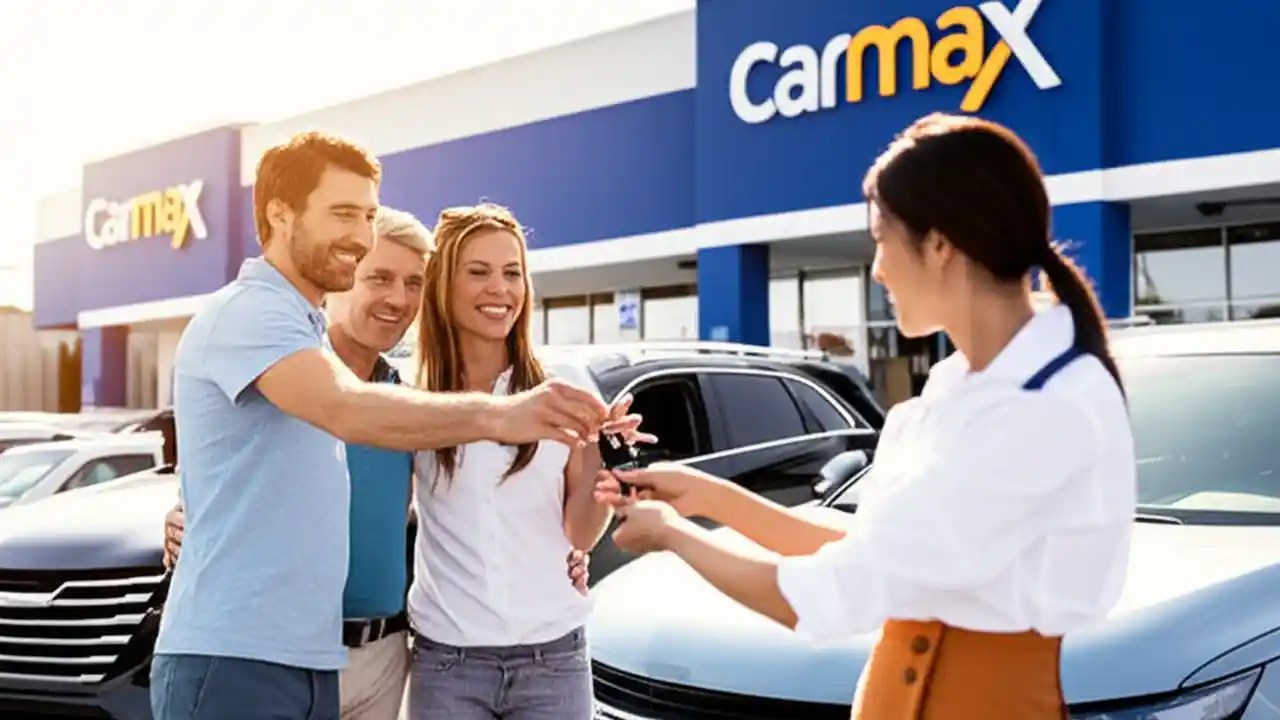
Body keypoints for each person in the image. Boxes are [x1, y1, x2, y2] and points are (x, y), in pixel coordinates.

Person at [596, 114, 1136, 719]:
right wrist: (706, 496)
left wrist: (671, 533)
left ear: (939, 245)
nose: (876, 268)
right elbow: (871, 548)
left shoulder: (1039, 407)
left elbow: (828, 595)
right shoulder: (967, 386)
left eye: (880, 238)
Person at [151, 131, 623, 720]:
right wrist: (504, 414)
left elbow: (272, 471)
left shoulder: (360, 370)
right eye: (343, 213)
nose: (358, 234)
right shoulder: (255, 316)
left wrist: (568, 539)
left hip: (332, 659)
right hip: (240, 657)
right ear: (279, 213)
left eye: (368, 215)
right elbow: (342, 409)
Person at [404, 203, 652, 720]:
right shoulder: (413, 395)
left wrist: (604, 464)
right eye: (478, 272)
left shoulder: (560, 385)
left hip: (552, 660)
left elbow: (580, 534)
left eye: (512, 272)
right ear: (443, 284)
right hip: (447, 663)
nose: (501, 289)